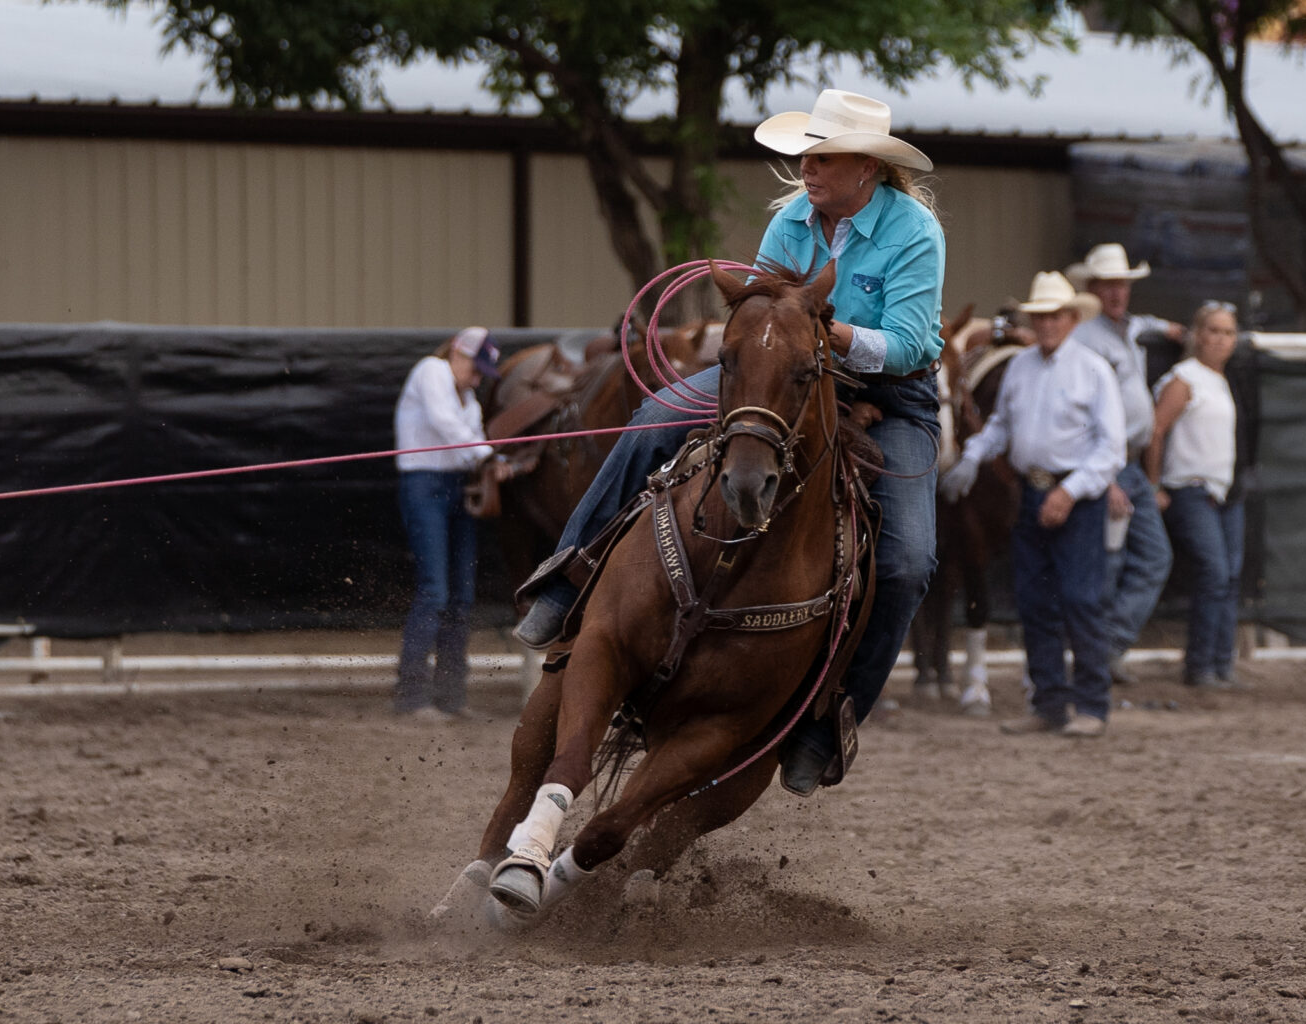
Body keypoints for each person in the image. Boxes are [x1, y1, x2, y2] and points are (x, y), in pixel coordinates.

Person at [512, 88, 946, 795]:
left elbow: (907, 344)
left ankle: (826, 721)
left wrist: (819, 331)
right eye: (805, 156)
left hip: (891, 398)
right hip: (781, 384)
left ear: (867, 166)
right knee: (655, 416)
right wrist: (781, 331)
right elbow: (760, 307)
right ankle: (568, 579)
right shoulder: (791, 223)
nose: (807, 169)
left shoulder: (915, 232)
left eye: (823, 157)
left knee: (907, 561)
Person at [940, 272, 1125, 738]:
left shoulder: (1094, 369)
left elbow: (1111, 449)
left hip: (1076, 496)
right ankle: (1049, 703)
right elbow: (1001, 425)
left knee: (1082, 601)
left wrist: (1069, 492)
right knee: (1035, 601)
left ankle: (1091, 704)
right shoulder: (1021, 368)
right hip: (1031, 492)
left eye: (1055, 316)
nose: (1047, 324)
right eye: (1040, 316)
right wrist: (972, 457)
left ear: (1071, 319)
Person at [1064, 243, 1182, 685]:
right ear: (1092, 290)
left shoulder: (1129, 328)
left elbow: (1148, 325)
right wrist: (1105, 474)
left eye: (1122, 285)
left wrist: (1172, 329)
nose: (1117, 293)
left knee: (1152, 557)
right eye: (1109, 286)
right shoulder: (1085, 337)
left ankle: (1105, 648)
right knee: (1110, 564)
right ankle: (1098, 655)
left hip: (1128, 464)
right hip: (1108, 465)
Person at [392, 326, 509, 719]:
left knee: (460, 596)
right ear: (457, 353)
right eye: (474, 369)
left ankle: (450, 696)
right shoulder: (432, 370)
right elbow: (446, 425)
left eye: (481, 373)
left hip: (454, 489)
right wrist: (489, 455)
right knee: (435, 592)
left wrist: (492, 461)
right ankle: (411, 696)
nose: (475, 378)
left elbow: (465, 446)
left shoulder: (469, 399)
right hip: (424, 485)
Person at [1145, 301, 1244, 690]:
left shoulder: (1221, 382)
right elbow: (1155, 431)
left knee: (1229, 577)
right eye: (1214, 331)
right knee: (1215, 572)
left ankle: (1222, 663)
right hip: (1189, 488)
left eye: (1228, 332)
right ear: (1198, 335)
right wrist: (1155, 485)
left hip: (1222, 491)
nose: (1221, 339)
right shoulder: (1184, 379)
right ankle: (1200, 665)